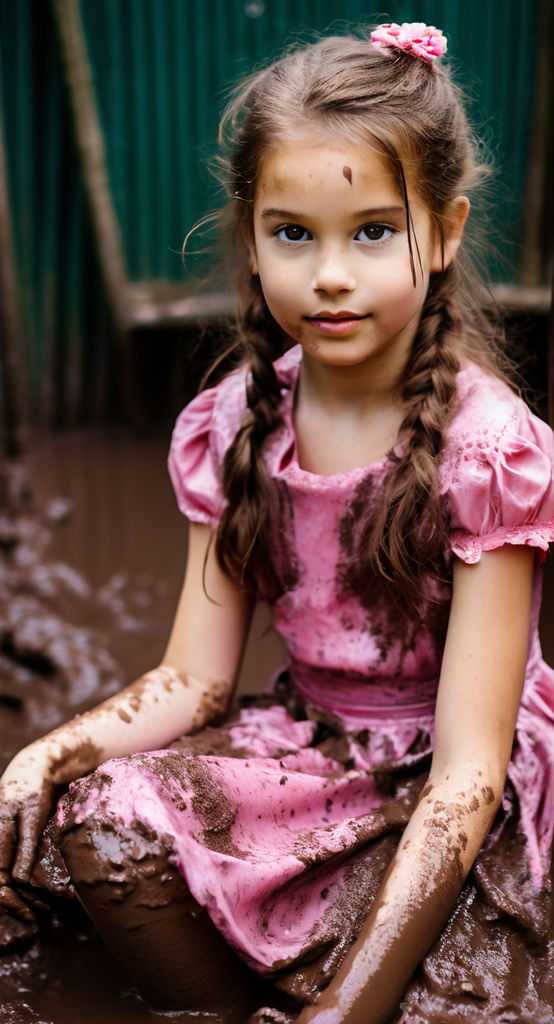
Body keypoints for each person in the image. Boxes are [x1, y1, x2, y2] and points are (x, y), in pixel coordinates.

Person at [1, 21, 553, 1024]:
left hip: (459, 790)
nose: (328, 275)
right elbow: (192, 679)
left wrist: (350, 1008)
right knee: (100, 822)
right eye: (292, 232)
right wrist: (50, 751)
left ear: (444, 229)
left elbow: (469, 774)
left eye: (371, 231)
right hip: (311, 750)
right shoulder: (228, 426)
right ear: (251, 237)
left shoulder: (487, 451)